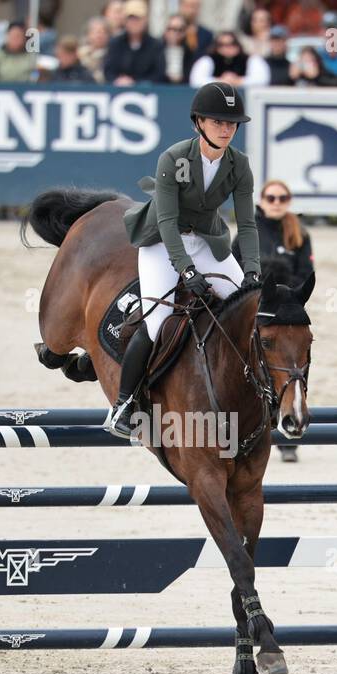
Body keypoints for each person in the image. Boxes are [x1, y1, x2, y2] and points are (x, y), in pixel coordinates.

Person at [108, 82, 262, 437]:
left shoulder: (239, 165)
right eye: (218, 122)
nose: (226, 129)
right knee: (157, 321)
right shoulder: (173, 158)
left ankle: (259, 394)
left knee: (251, 311)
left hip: (207, 241)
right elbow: (166, 221)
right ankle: (124, 404)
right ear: (198, 123)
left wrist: (253, 270)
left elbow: (247, 223)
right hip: (164, 243)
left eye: (232, 123)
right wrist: (187, 270)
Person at [233, 178, 313, 461]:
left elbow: (305, 273)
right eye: (271, 198)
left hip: (288, 306)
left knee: (294, 362)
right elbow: (235, 270)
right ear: (262, 201)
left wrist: (286, 296)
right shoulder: (247, 232)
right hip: (256, 307)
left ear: (288, 201)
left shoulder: (299, 232)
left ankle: (289, 432)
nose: (276, 203)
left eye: (282, 198)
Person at [103, 0, 164, 85]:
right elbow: (108, 71)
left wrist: (136, 83)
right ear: (124, 20)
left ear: (145, 19)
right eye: (130, 18)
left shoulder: (156, 45)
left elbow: (159, 74)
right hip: (118, 89)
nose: (134, 22)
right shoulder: (115, 43)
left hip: (148, 91)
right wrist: (117, 80)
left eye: (138, 18)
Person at [189, 30, 270, 86]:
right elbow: (196, 81)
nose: (227, 48)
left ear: (238, 45)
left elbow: (262, 79)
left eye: (231, 44)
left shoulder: (251, 60)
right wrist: (220, 81)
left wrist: (239, 81)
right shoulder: (208, 60)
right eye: (222, 45)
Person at [161, 14, 197, 84]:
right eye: (172, 29)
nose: (176, 33)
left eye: (180, 30)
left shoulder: (190, 53)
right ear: (165, 30)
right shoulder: (156, 50)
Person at [78, 16, 110, 81]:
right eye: (95, 32)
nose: (99, 35)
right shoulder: (79, 54)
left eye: (103, 32)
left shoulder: (112, 54)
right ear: (87, 34)